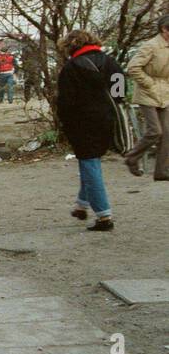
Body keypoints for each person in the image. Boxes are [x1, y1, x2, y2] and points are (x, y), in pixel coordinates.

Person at [56, 30, 124, 231]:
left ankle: (104, 216)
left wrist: (65, 123)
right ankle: (81, 205)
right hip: (107, 119)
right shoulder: (110, 62)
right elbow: (119, 89)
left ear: (71, 46)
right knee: (91, 161)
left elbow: (65, 102)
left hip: (81, 122)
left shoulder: (71, 67)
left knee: (89, 164)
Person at [124, 13, 169, 181]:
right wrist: (149, 84)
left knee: (167, 133)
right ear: (164, 30)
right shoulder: (151, 46)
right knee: (155, 131)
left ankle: (161, 171)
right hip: (147, 92)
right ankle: (132, 157)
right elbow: (133, 67)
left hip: (164, 93)